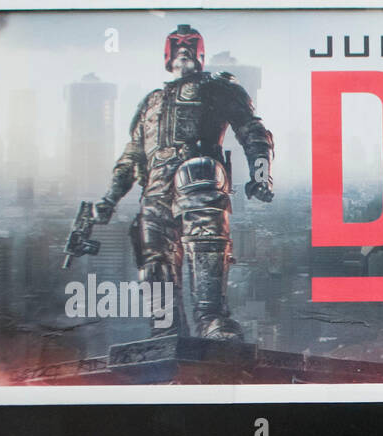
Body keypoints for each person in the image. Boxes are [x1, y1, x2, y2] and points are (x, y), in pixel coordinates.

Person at [90, 24, 273, 339]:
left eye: (190, 44)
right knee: (153, 254)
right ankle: (166, 330)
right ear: (167, 53)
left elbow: (251, 129)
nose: (184, 49)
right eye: (177, 44)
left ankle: (212, 319)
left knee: (200, 181)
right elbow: (132, 158)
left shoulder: (216, 87)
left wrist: (261, 170)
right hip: (155, 194)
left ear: (200, 51)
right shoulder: (151, 104)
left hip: (197, 183)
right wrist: (109, 199)